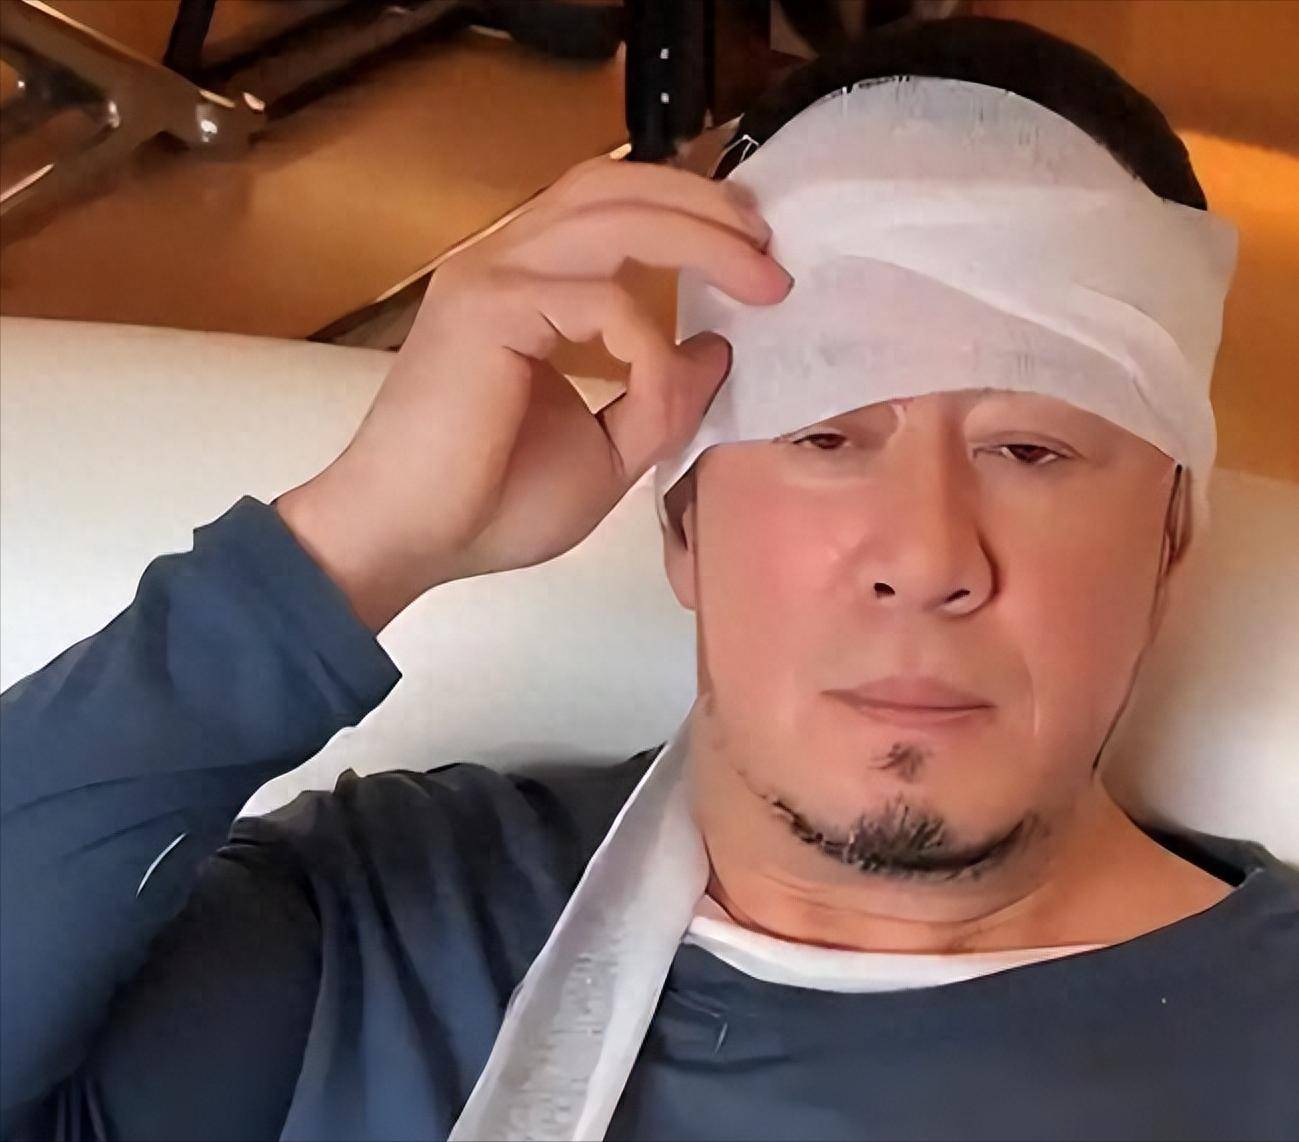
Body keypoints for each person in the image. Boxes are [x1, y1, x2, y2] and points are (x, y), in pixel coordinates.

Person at [1, 16, 1295, 1142]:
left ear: (1171, 538)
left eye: (1031, 450)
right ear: (682, 522)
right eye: (825, 435)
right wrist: (360, 540)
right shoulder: (392, 937)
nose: (925, 557)